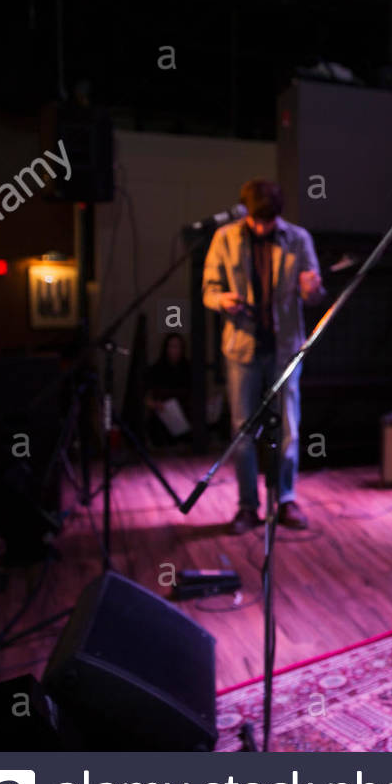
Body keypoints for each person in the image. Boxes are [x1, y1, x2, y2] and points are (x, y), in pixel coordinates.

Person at [203, 179, 324, 534]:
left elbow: (315, 293)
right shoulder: (225, 237)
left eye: (268, 221)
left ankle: (285, 499)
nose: (262, 227)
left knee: (288, 427)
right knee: (242, 429)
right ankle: (247, 506)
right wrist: (222, 300)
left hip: (286, 347)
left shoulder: (298, 239)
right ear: (246, 213)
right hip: (242, 348)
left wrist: (311, 289)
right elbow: (209, 289)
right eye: (257, 220)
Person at [145, 333, 192, 445]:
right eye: (172, 346)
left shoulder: (188, 369)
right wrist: (155, 404)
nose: (175, 350)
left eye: (178, 346)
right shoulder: (157, 369)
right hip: (163, 414)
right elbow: (147, 397)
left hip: (186, 414)